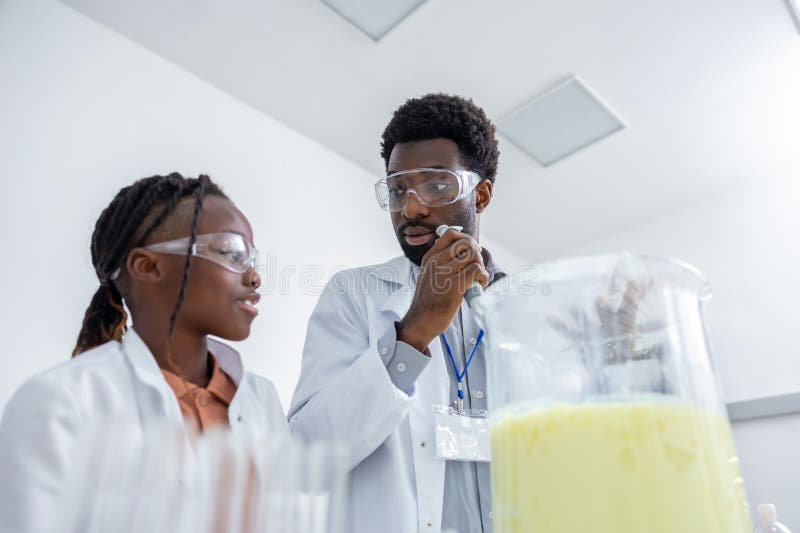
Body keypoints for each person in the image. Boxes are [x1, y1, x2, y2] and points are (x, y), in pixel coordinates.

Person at [0, 173, 287, 532]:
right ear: (148, 266)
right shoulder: (61, 403)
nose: (254, 277)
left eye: (252, 258)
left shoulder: (262, 401)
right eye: (233, 254)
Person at [289, 94, 502, 533]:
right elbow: (305, 462)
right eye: (397, 190)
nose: (412, 208)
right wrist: (412, 333)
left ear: (480, 195)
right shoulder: (354, 295)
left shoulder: (521, 310)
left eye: (437, 186)